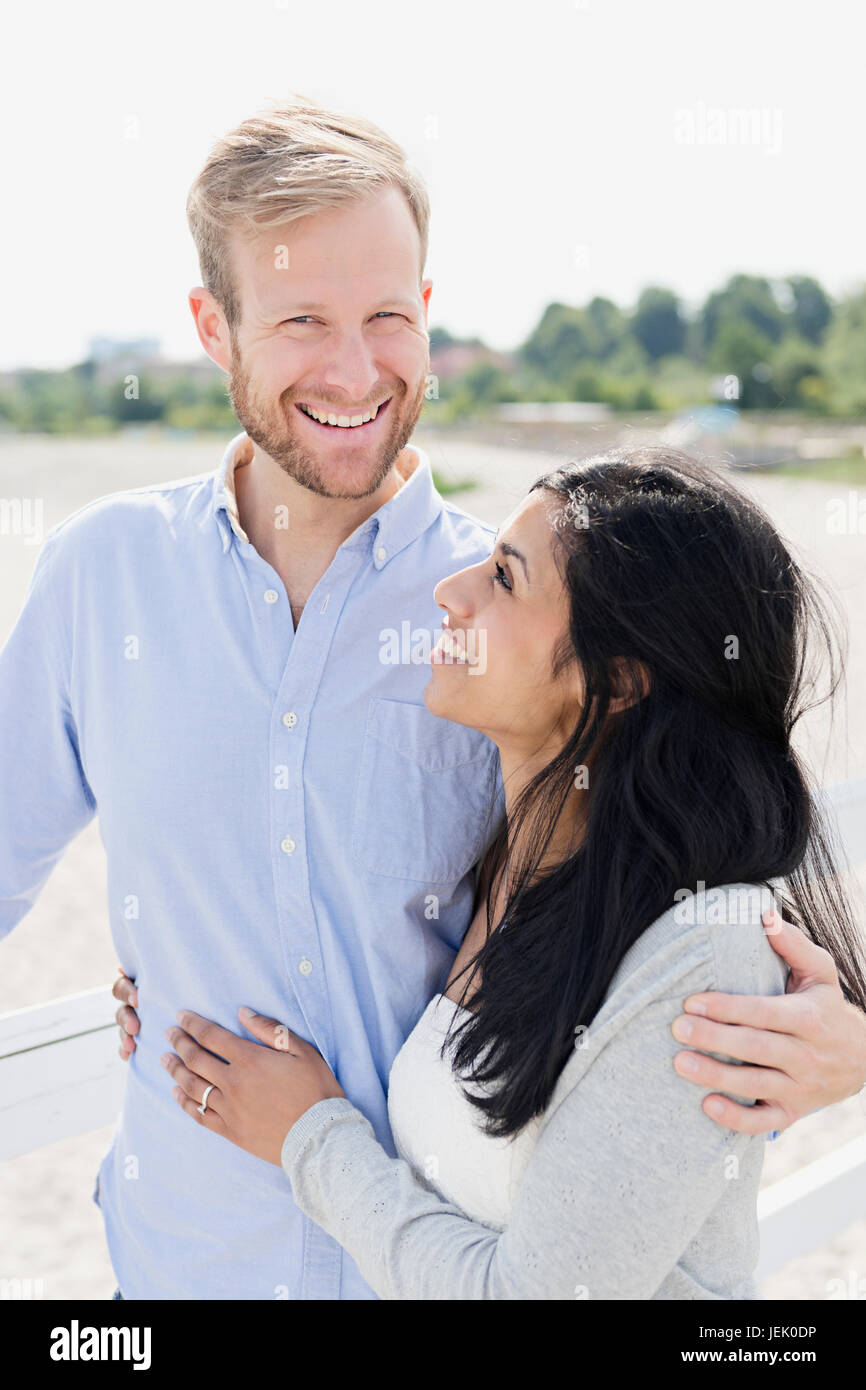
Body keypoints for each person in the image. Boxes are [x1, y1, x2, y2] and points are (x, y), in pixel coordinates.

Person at [2, 98, 864, 1303]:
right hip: (187, 1266)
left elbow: (712, 858)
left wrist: (850, 1042)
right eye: (302, 319)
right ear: (214, 327)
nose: (355, 371)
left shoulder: (516, 620)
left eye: (387, 318)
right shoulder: (100, 579)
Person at [155, 447, 866, 1298]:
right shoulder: (510, 864)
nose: (450, 593)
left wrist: (312, 1135)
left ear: (621, 679)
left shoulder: (706, 953)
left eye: (504, 577)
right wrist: (160, 969)